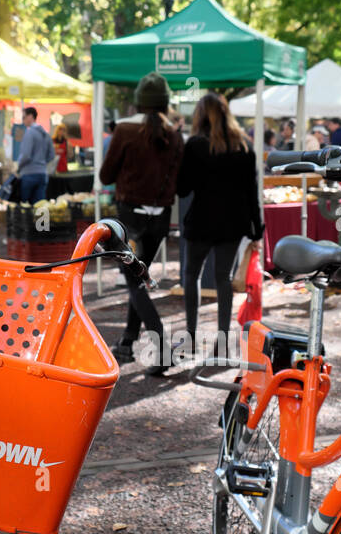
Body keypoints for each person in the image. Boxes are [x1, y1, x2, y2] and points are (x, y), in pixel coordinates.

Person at [99, 72, 183, 373]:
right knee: (138, 277)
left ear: (138, 102)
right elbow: (180, 182)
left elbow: (105, 176)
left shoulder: (124, 130)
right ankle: (127, 341)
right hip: (160, 219)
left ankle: (160, 345)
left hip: (130, 217)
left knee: (135, 280)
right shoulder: (175, 135)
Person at [176, 91, 263, 359]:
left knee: (192, 276)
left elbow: (182, 189)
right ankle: (223, 341)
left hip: (201, 220)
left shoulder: (195, 146)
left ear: (200, 115)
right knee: (223, 278)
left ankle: (190, 338)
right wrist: (256, 227)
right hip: (232, 224)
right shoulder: (244, 146)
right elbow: (251, 191)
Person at [17, 106, 55, 202]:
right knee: (39, 207)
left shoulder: (29, 133)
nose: (23, 120)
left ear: (30, 116)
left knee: (25, 207)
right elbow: (51, 155)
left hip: (28, 174)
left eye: (24, 117)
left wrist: (18, 166)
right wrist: (41, 163)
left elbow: (26, 155)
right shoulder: (46, 135)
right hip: (42, 173)